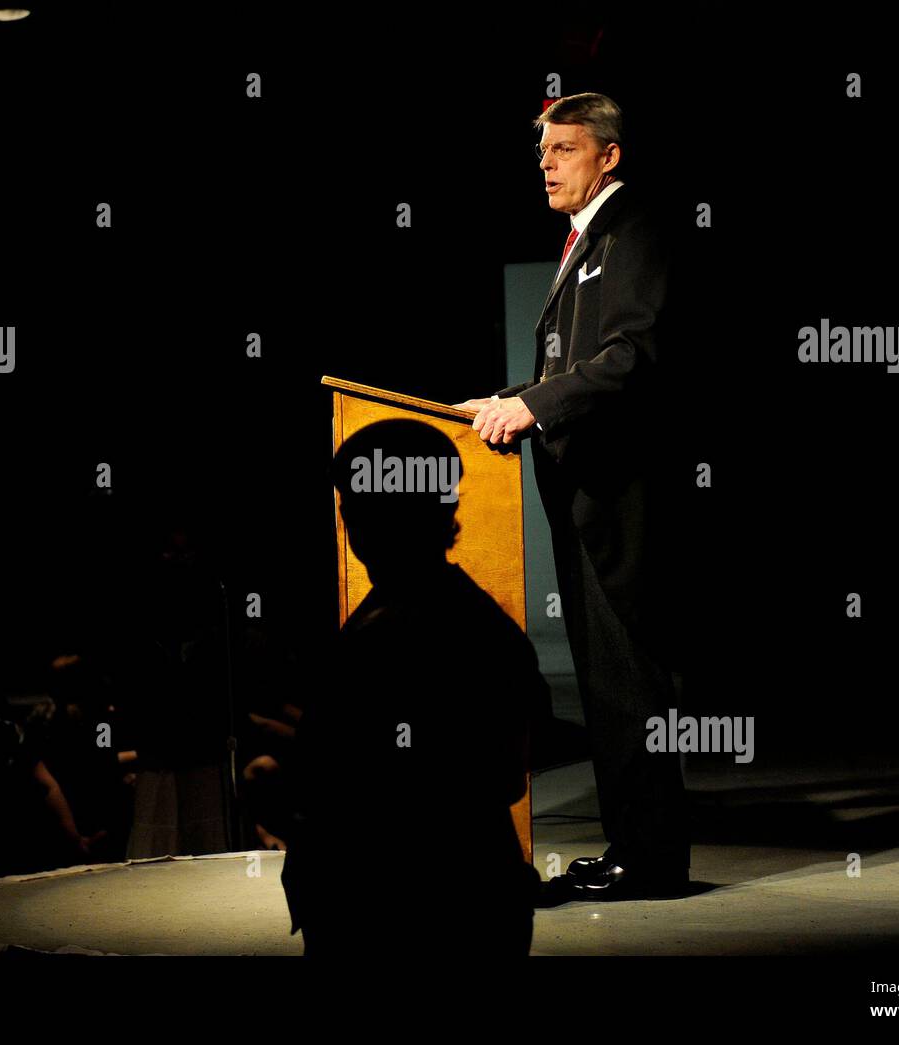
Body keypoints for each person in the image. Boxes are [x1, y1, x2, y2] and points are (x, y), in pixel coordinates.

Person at [454, 93, 690, 902]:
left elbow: (631, 356)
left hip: (620, 498)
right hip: (583, 495)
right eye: (541, 152)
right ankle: (635, 846)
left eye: (563, 148)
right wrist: (504, 399)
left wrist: (534, 407)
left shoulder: (633, 231)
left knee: (629, 680)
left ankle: (650, 859)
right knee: (605, 683)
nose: (546, 164)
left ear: (608, 155)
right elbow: (568, 370)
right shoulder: (586, 240)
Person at [277, 419, 547, 954]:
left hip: (393, 916)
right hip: (479, 897)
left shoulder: (384, 638)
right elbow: (509, 773)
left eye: (352, 506)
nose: (347, 520)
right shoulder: (489, 624)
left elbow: (352, 795)